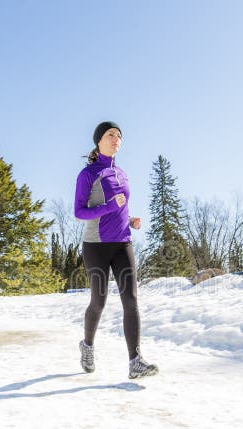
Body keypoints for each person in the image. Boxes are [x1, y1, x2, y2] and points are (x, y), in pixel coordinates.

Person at [73, 121, 159, 379]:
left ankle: (135, 361)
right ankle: (87, 346)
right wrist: (110, 207)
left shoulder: (122, 173)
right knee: (98, 302)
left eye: (119, 135)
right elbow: (79, 212)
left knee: (131, 301)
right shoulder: (88, 174)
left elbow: (119, 206)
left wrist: (129, 219)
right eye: (111, 134)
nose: (116, 138)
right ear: (98, 140)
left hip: (123, 242)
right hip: (96, 245)